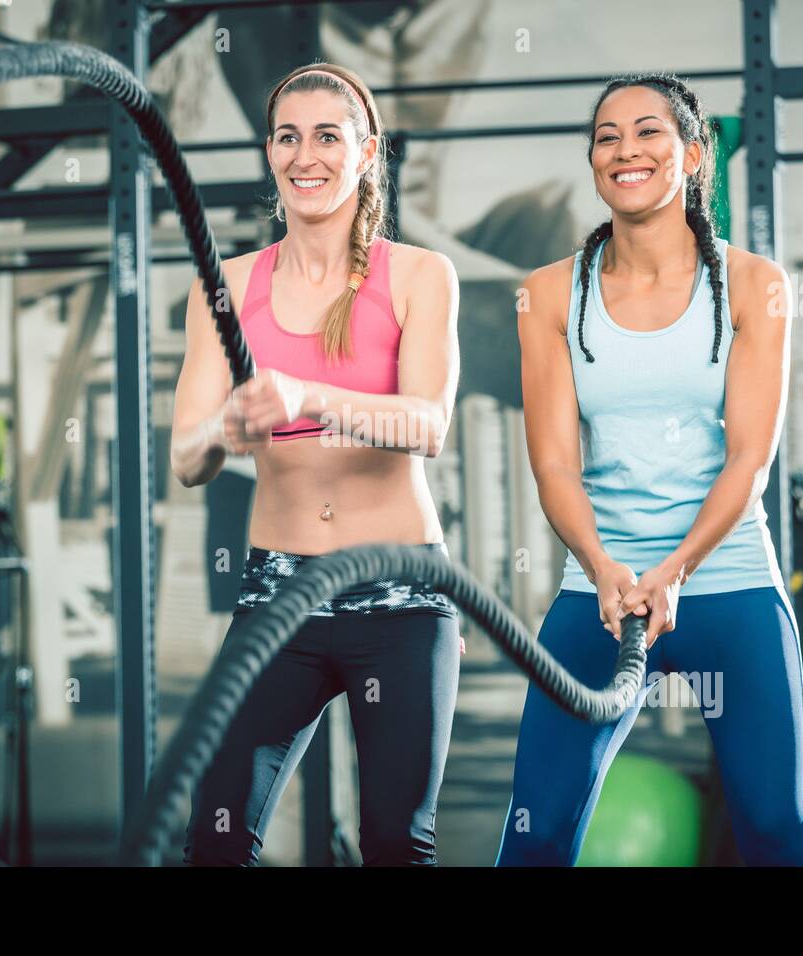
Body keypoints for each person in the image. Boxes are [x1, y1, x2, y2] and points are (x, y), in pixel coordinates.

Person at [495, 73, 803, 867]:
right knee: (534, 834)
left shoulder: (754, 286)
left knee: (779, 831)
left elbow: (750, 456)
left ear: (693, 153)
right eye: (607, 137)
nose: (625, 150)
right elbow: (552, 463)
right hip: (600, 592)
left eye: (648, 132)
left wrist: (677, 569)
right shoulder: (546, 296)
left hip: (727, 582)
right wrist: (604, 566)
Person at [169, 62, 462, 866]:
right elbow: (187, 460)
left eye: (328, 136)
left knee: (396, 846)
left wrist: (307, 396)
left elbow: (428, 424)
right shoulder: (224, 290)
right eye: (289, 137)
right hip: (279, 594)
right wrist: (222, 428)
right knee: (217, 840)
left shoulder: (420, 276)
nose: (308, 155)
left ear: (366, 153)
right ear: (270, 153)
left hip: (402, 596)